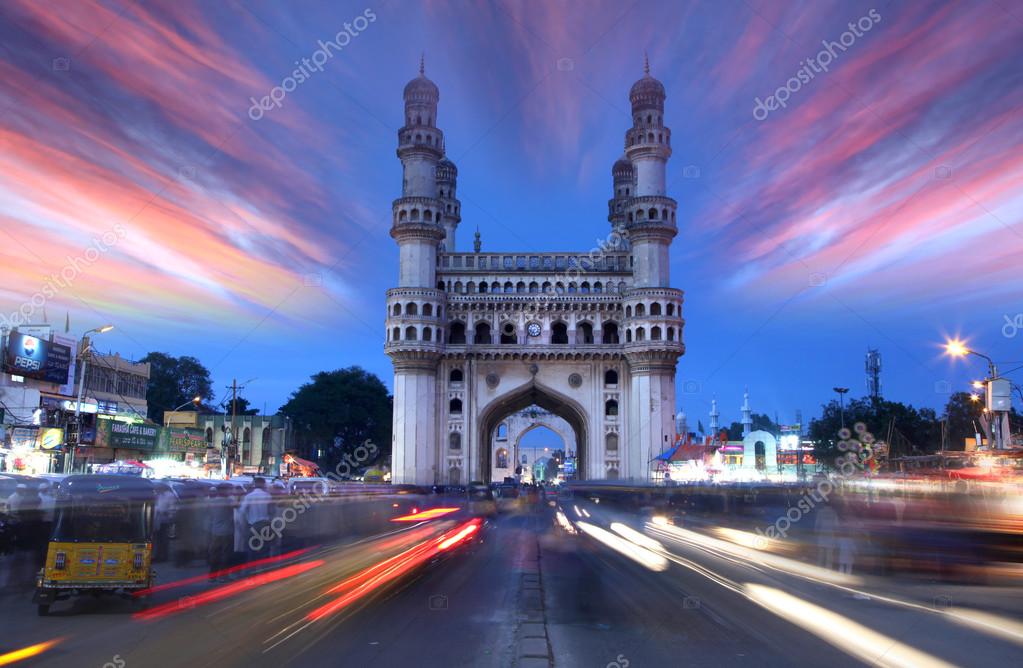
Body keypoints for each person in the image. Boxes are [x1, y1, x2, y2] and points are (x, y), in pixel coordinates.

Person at [239, 478, 272, 562]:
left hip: (252, 526)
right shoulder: (267, 496)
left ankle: (252, 568)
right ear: (264, 484)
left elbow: (242, 511)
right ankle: (263, 569)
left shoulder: (249, 497)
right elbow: (271, 512)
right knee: (264, 549)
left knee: (252, 549)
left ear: (255, 484)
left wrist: (244, 522)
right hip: (265, 525)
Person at [206, 484, 235, 582]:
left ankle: (212, 576)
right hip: (227, 531)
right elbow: (236, 508)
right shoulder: (228, 501)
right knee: (226, 554)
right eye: (229, 490)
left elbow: (210, 515)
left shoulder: (211, 502)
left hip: (215, 531)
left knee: (215, 554)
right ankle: (223, 576)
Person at [152, 483, 178, 563]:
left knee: (163, 539)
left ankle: (163, 556)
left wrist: (169, 516)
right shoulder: (158, 495)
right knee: (157, 539)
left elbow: (172, 508)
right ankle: (157, 555)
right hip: (157, 519)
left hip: (164, 520)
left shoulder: (169, 496)